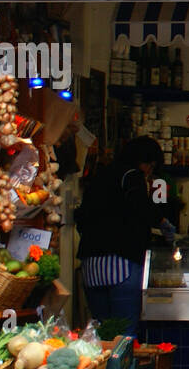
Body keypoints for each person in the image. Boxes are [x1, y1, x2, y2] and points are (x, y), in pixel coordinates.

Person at [75, 136, 175, 338]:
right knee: (125, 334)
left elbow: (82, 216)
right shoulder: (131, 175)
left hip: (91, 266)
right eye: (150, 166)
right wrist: (162, 221)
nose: (149, 172)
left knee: (102, 333)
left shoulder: (100, 175)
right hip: (122, 264)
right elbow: (141, 206)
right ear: (145, 162)